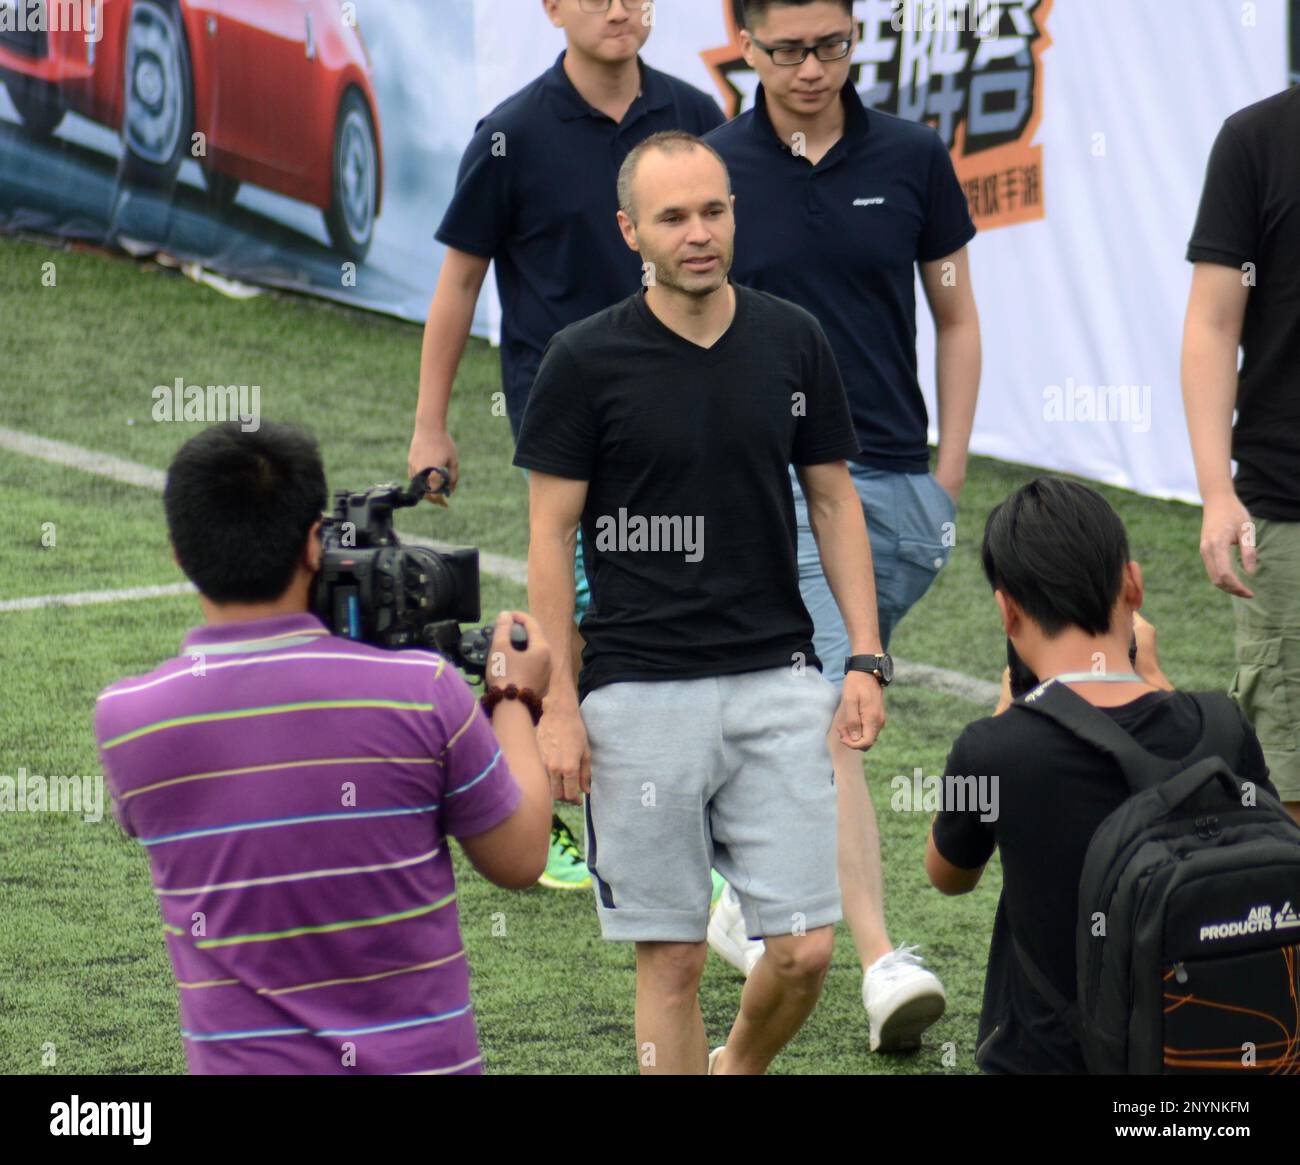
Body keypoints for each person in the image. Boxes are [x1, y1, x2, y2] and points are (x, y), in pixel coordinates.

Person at [514, 131, 887, 1074]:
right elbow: (549, 540)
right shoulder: (582, 361)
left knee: (805, 951)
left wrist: (866, 657)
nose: (698, 233)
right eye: (673, 216)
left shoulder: (792, 338)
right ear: (630, 229)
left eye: (713, 210)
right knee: (672, 956)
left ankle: (737, 1067)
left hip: (779, 680)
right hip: (637, 695)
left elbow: (835, 501)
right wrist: (556, 704)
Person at [94, 422, 553, 1075]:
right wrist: (515, 695)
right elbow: (521, 855)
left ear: (177, 551)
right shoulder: (425, 693)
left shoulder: (129, 722)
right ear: (315, 544)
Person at [703, 0, 981, 1050]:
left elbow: (954, 314)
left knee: (784, 705)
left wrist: (945, 477)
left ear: (854, 36)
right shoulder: (711, 174)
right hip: (766, 488)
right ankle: (875, 958)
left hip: (899, 491)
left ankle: (739, 895)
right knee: (831, 703)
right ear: (746, 44)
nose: (811, 67)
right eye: (786, 51)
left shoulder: (912, 158)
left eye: (829, 45)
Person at [410, 0, 725, 888]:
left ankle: (592, 769)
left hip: (685, 401)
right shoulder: (509, 134)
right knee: (594, 595)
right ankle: (542, 796)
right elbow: (460, 280)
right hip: (566, 416)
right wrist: (432, 423)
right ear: (552, 7)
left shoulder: (695, 117)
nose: (620, 9)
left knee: (633, 598)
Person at [925, 477, 1277, 1073]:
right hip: (1200, 1062)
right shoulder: (1223, 725)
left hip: (1049, 1057)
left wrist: (1008, 707)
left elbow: (948, 874)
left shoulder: (992, 750)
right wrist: (1158, 680)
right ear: (1133, 584)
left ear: (1007, 611)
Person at [1181, 83, 1300, 826]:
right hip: (1288, 511)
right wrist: (1215, 489)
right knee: (1288, 787)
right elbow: (1214, 322)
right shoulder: (1258, 139)